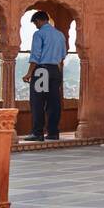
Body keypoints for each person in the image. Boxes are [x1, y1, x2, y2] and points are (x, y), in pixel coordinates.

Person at [22, 11, 67, 141]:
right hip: (55, 71)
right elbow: (63, 55)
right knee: (54, 103)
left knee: (37, 102)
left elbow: (35, 56)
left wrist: (29, 73)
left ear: (38, 21)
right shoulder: (60, 35)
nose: (36, 26)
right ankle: (53, 132)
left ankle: (37, 133)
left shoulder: (39, 34)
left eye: (35, 23)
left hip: (42, 71)